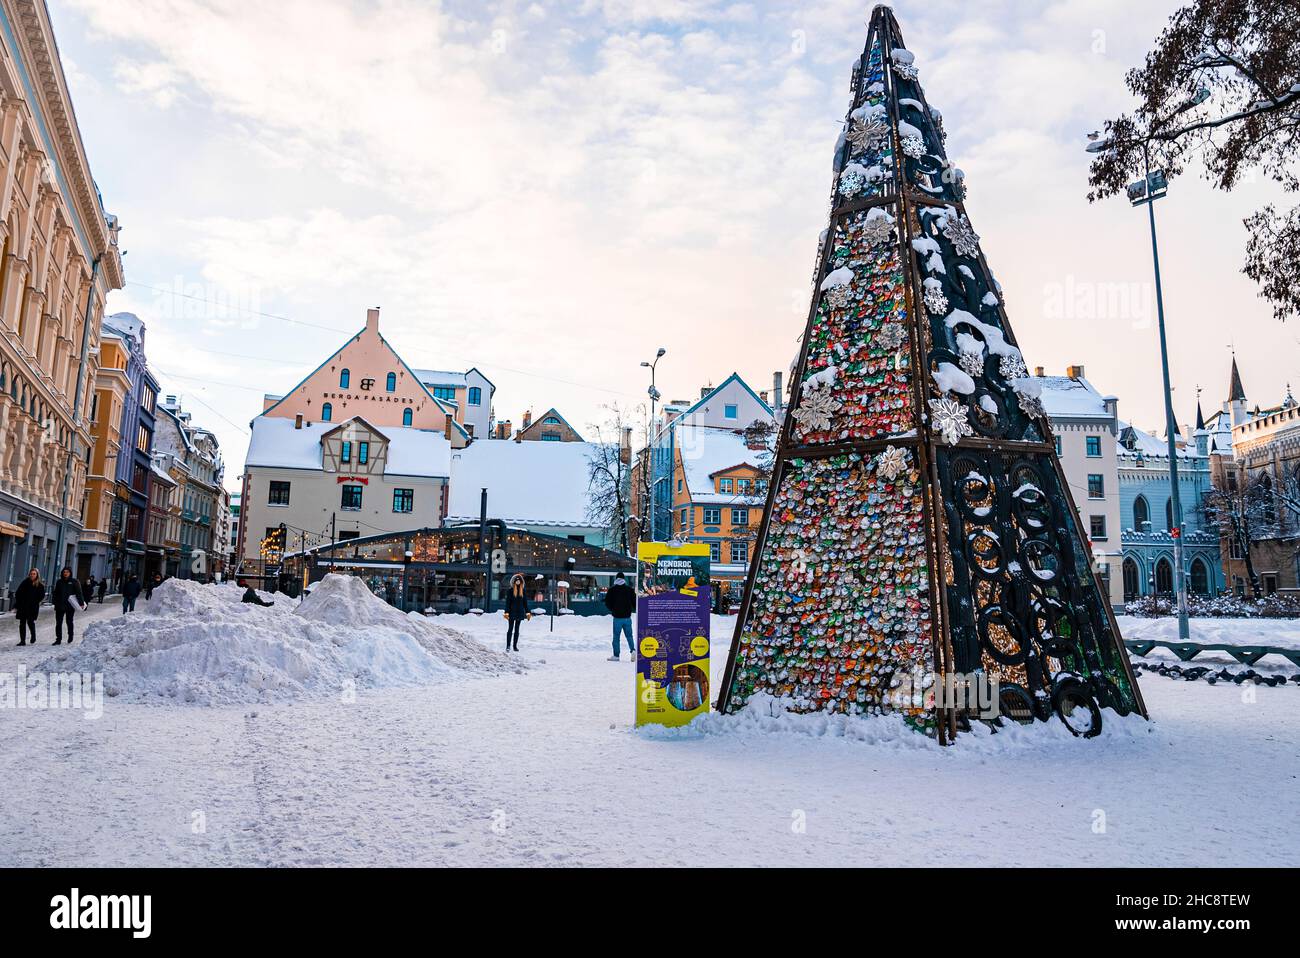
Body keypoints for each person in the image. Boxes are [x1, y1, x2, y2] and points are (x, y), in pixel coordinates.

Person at [603, 575, 637, 661]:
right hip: (627, 618)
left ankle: (616, 655)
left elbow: (607, 602)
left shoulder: (612, 590)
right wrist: (631, 609)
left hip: (617, 618)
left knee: (616, 637)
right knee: (629, 636)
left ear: (616, 579)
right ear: (624, 579)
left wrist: (613, 609)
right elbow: (635, 603)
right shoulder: (629, 590)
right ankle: (633, 650)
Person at [51, 566, 86, 646]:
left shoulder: (74, 581)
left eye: (67, 572)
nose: (65, 573)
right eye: (64, 572)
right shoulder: (59, 582)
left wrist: (81, 603)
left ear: (70, 573)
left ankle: (70, 635)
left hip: (70, 605)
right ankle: (58, 639)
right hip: (60, 605)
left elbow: (78, 593)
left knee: (69, 621)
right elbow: (56, 593)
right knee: (58, 623)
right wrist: (54, 602)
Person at [13, 568, 44, 646]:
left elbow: (41, 595)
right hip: (23, 606)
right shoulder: (25, 582)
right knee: (22, 623)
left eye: (34, 574)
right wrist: (18, 603)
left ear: (37, 575)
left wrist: (35, 601)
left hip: (32, 607)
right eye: (31, 573)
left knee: (30, 622)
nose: (32, 575)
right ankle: (22, 641)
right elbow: (18, 593)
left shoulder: (39, 585)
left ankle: (33, 636)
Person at [503, 574, 530, 652]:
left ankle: (515, 646)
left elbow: (525, 603)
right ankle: (508, 646)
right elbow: (508, 603)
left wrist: (528, 612)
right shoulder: (510, 591)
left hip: (520, 612)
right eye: (516, 581)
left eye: (519, 581)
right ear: (514, 582)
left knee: (517, 630)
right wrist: (506, 612)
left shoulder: (523, 591)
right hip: (511, 612)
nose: (518, 582)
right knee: (510, 629)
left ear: (521, 582)